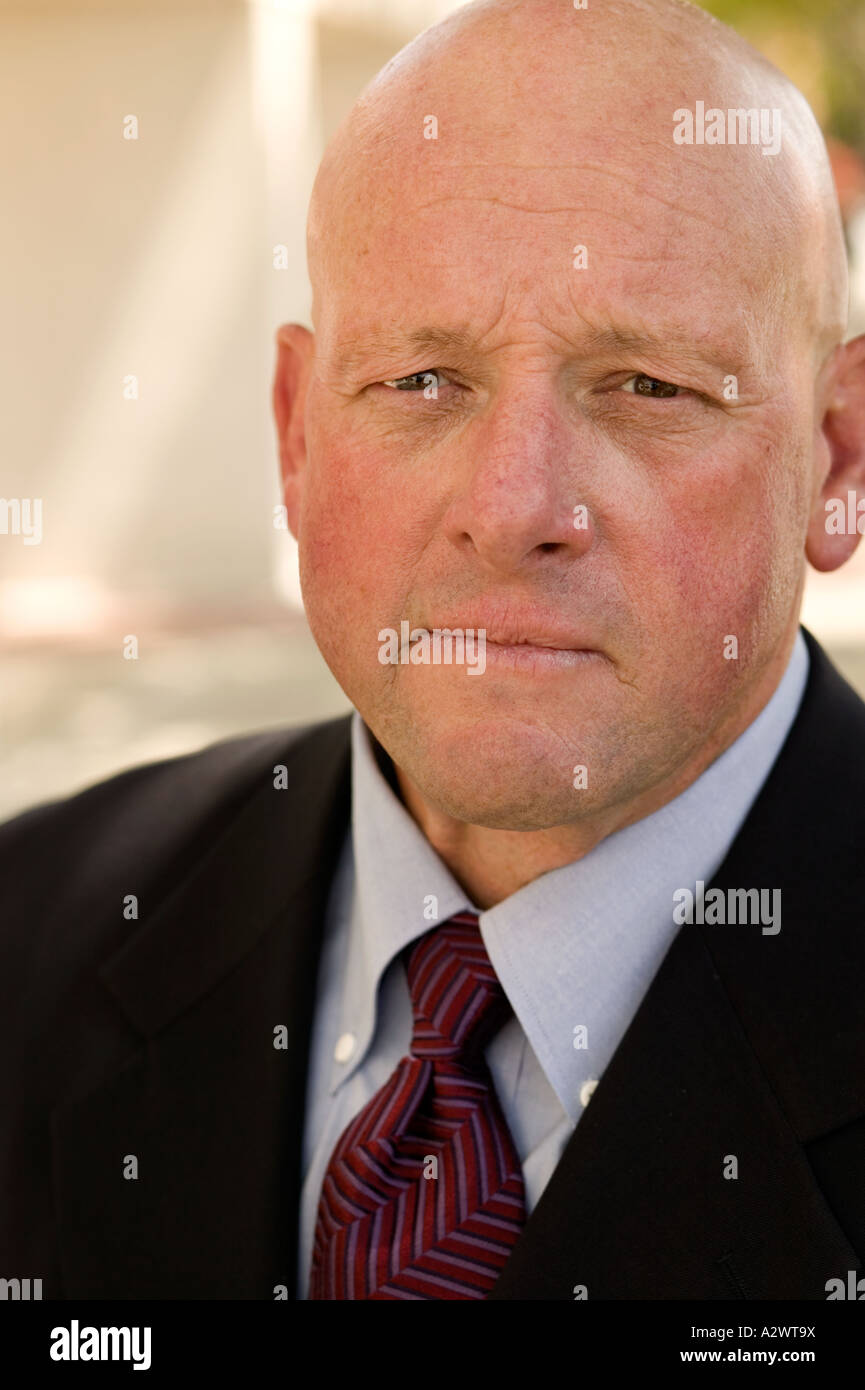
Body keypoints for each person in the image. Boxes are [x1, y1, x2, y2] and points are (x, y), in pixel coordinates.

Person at [2, 0, 865, 1301]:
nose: (513, 507)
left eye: (646, 386)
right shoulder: (33, 923)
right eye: (419, 381)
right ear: (296, 439)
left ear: (837, 459)